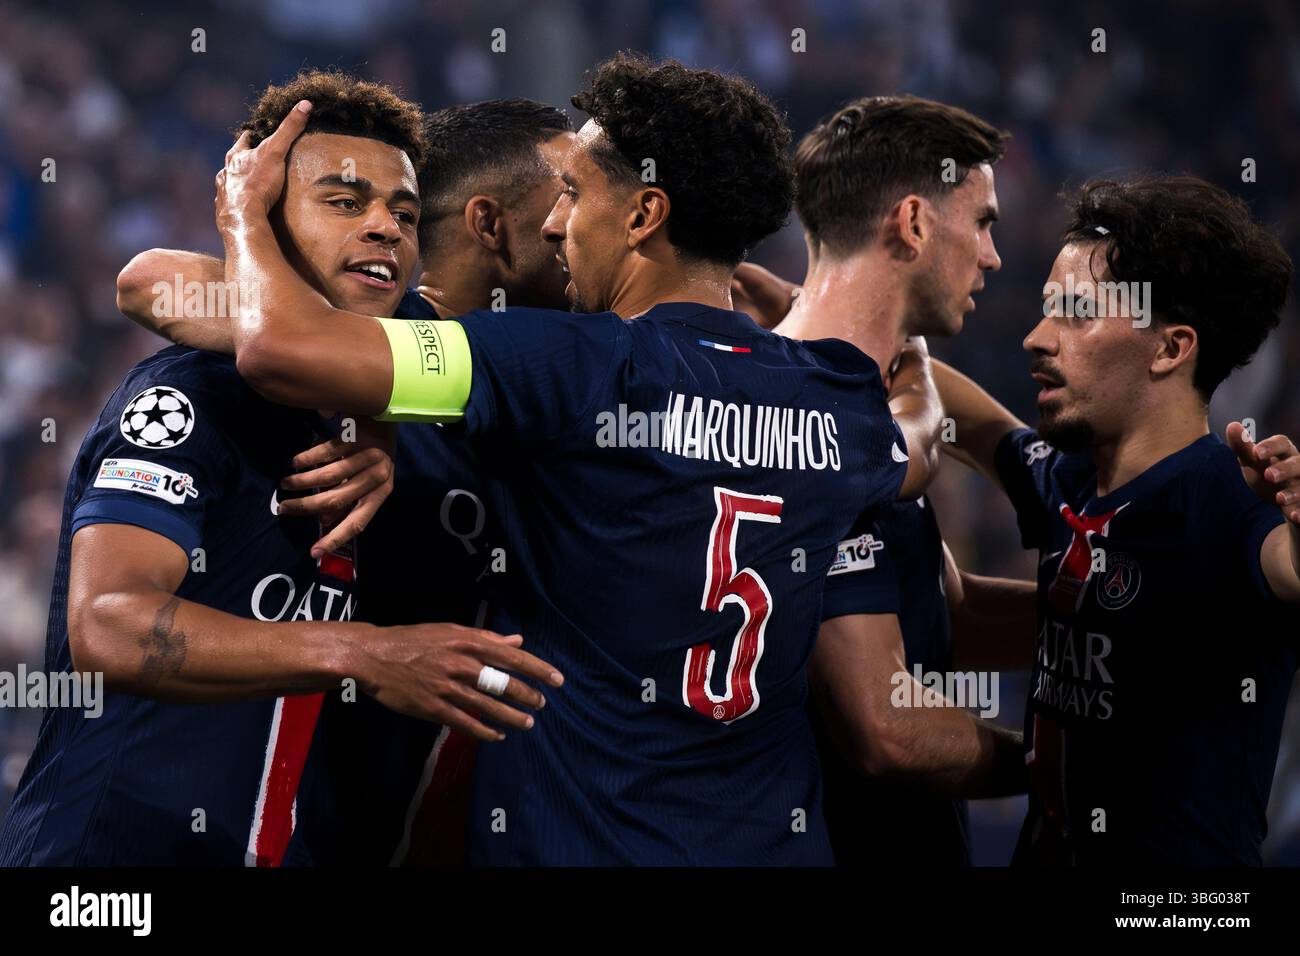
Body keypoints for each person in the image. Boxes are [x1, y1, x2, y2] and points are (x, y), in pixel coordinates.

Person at [151, 54, 947, 864]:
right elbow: (913, 453)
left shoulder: (567, 363)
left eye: (574, 193)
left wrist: (244, 216)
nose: (558, 224)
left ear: (643, 216)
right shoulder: (836, 394)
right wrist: (922, 390)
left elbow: (277, 346)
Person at [0, 71, 561, 867]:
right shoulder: (189, 397)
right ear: (262, 219)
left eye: (402, 213)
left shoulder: (389, 397)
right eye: (343, 201)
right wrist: (359, 653)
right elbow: (108, 627)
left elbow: (386, 346)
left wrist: (384, 411)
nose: (384, 229)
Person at [935, 175, 1300, 865]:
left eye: (1076, 313)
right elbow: (975, 421)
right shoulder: (1072, 478)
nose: (1036, 338)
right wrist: (826, 323)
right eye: (1048, 311)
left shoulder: (1231, 503)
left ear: (1170, 349)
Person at [733, 95, 1034, 866]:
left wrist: (1127, 621)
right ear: (913, 221)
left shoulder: (865, 397)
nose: (994, 255)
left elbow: (942, 616)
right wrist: (1060, 763)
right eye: (984, 222)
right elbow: (886, 729)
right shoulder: (806, 422)